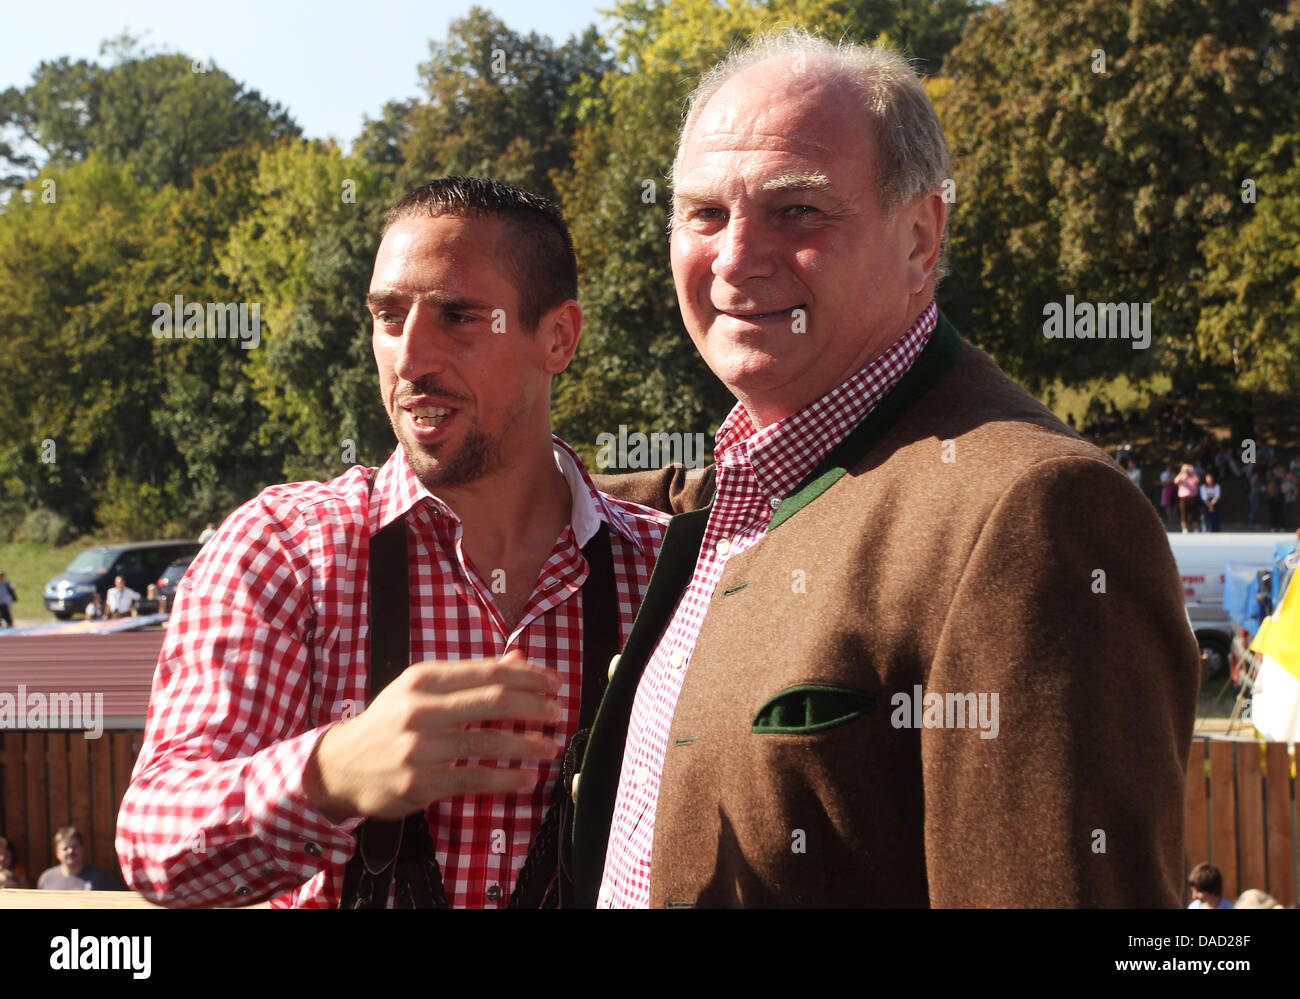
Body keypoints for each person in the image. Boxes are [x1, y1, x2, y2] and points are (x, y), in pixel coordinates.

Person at [579, 30, 1198, 908]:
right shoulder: (736, 487)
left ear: (920, 236)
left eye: (798, 210)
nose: (735, 256)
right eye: (705, 213)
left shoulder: (1036, 511)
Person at [116, 178, 669, 908]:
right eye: (388, 315)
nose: (410, 357)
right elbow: (156, 846)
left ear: (558, 336)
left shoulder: (666, 574)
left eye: (459, 316)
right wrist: (331, 772)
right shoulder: (285, 551)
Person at [36, 827, 116, 891]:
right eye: (65, 848)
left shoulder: (101, 877)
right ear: (57, 853)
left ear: (82, 849)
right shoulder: (47, 878)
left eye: (74, 847)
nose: (70, 851)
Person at [1176, 463, 1201, 533]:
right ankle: (1184, 529)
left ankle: (1196, 528)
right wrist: (1182, 471)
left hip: (1193, 497)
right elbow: (1175, 481)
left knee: (1195, 514)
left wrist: (1192, 471)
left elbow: (1198, 480)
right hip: (1184, 498)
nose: (1187, 471)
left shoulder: (1193, 476)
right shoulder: (1182, 477)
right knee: (1184, 514)